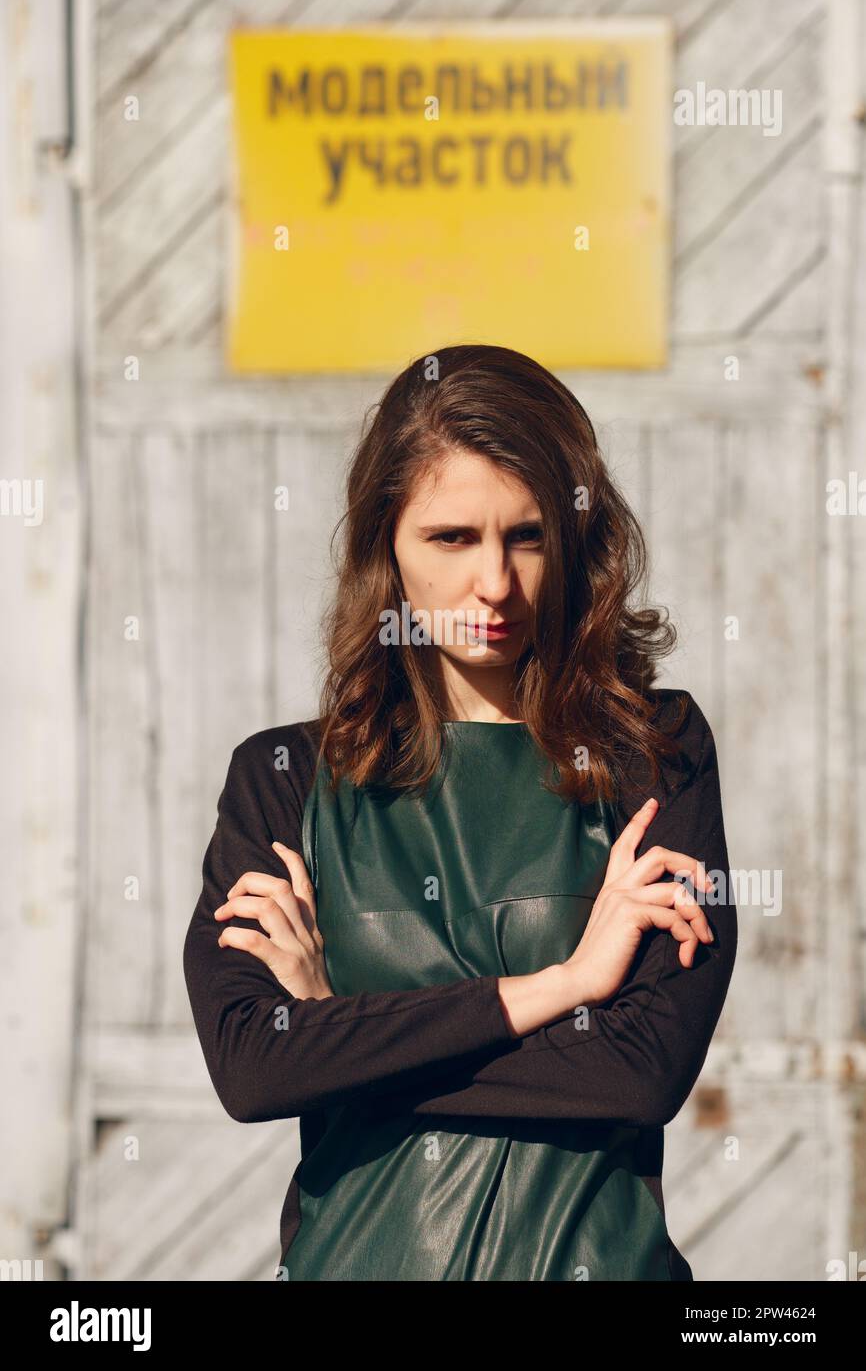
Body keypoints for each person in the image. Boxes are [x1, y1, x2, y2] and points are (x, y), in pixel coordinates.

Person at [183, 343, 737, 1281]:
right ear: (385, 551)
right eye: (451, 538)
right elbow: (254, 1069)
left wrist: (342, 1029)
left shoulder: (657, 757)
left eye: (526, 537)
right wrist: (563, 986)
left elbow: (640, 1073)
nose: (495, 585)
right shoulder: (283, 778)